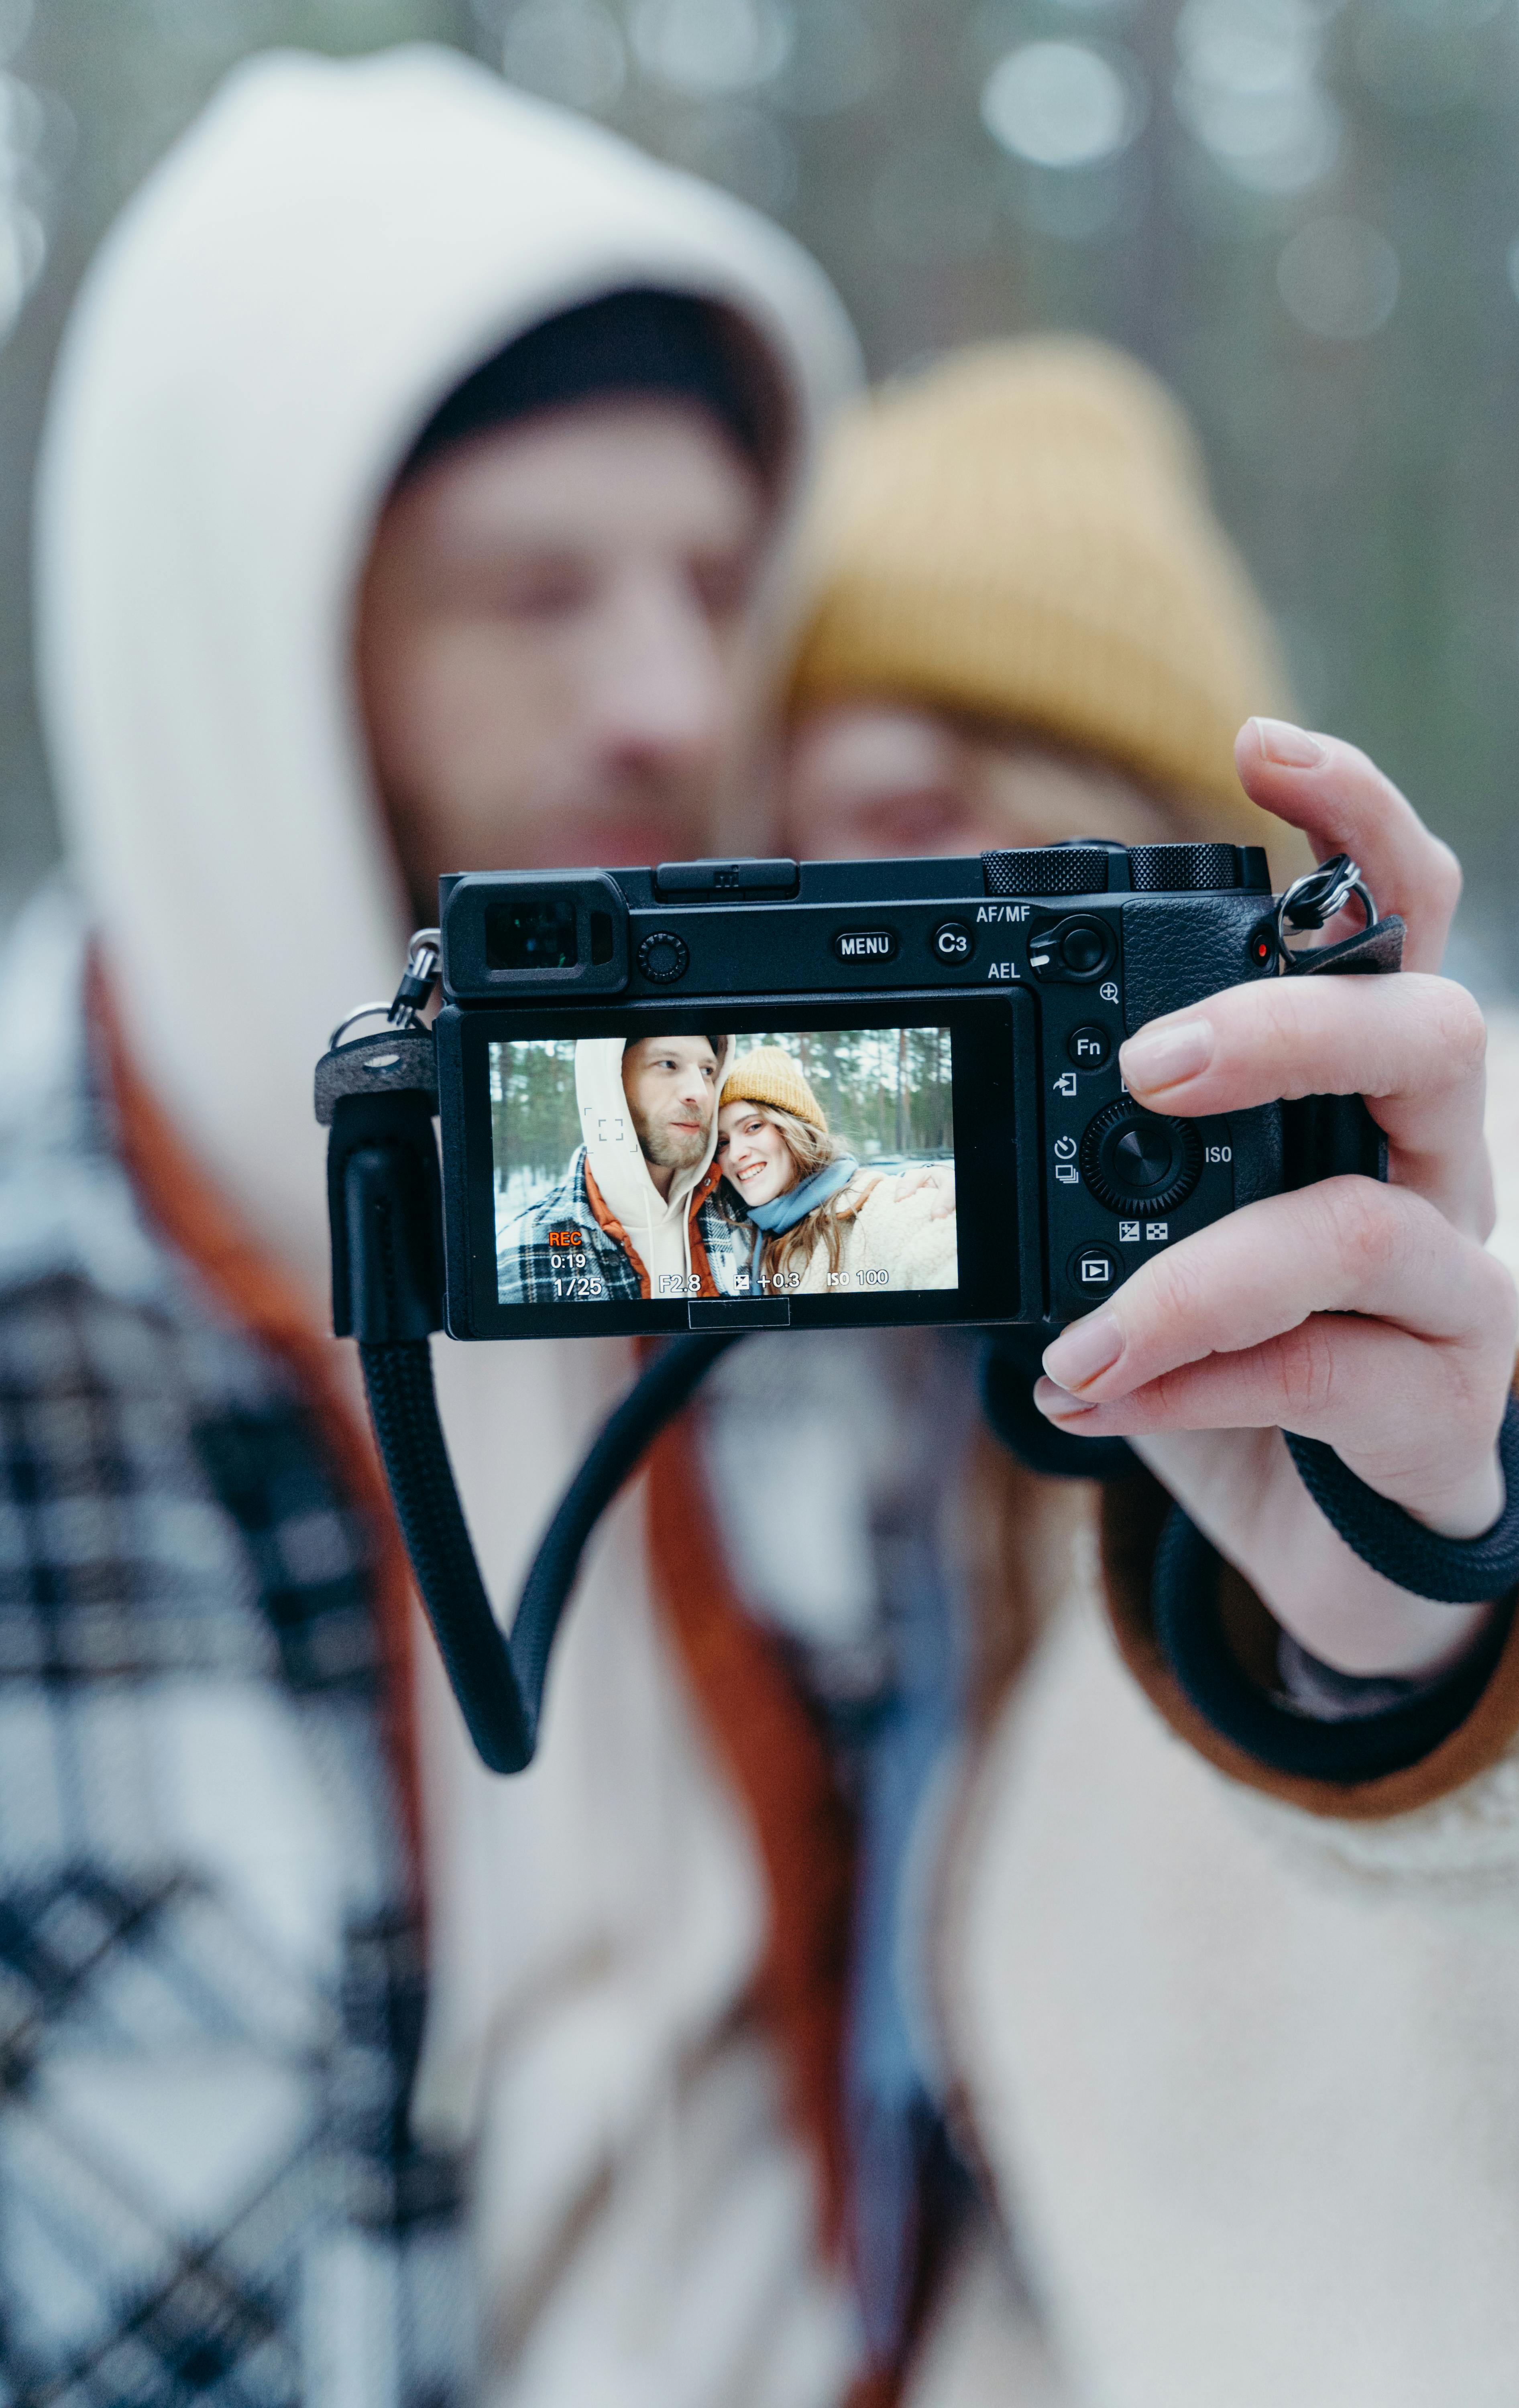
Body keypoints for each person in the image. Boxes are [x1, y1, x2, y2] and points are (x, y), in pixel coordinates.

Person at [616, 339, 1519, 2408]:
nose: (863, 942)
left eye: (921, 829)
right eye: (795, 874)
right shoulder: (892, 1397)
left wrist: (1444, 1586)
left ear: (1140, 840)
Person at [2, 43, 859, 2406]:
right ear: (258, 639)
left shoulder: (807, 1167)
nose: (674, 697)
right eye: (535, 592)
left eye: (714, 578)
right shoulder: (41, 1284)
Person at [496, 1030, 749, 1301]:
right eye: (668, 1064)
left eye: (707, 1070)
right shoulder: (520, 1251)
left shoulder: (744, 1212)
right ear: (609, 1082)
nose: (699, 1092)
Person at [713, 1045, 958, 1294]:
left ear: (798, 1129)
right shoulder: (745, 1230)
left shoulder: (881, 1204)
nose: (734, 1154)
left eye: (753, 1127)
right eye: (723, 1143)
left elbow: (944, 1258)